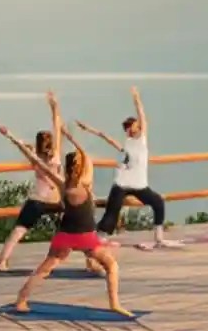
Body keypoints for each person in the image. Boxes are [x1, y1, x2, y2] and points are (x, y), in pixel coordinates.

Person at [0, 122, 131, 316]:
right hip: (86, 238)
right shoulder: (86, 182)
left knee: (44, 269)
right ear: (81, 167)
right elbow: (85, 156)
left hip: (65, 236)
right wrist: (72, 138)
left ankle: (21, 299)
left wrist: (10, 135)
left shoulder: (62, 184)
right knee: (111, 265)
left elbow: (34, 157)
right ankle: (114, 303)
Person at [77, 87, 181, 250]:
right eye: (132, 127)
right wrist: (88, 129)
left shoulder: (141, 141)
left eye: (136, 127)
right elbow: (105, 137)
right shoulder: (127, 143)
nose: (135, 128)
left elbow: (143, 118)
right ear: (128, 130)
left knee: (158, 202)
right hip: (121, 184)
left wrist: (136, 99)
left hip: (139, 185)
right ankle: (97, 238)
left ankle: (159, 237)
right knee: (112, 213)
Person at [0, 92, 64, 271]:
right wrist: (54, 106)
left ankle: (2, 262)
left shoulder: (34, 156)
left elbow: (19, 143)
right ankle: (56, 260)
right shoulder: (56, 154)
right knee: (69, 229)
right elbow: (57, 125)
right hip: (56, 201)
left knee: (19, 230)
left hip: (37, 199)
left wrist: (7, 133)